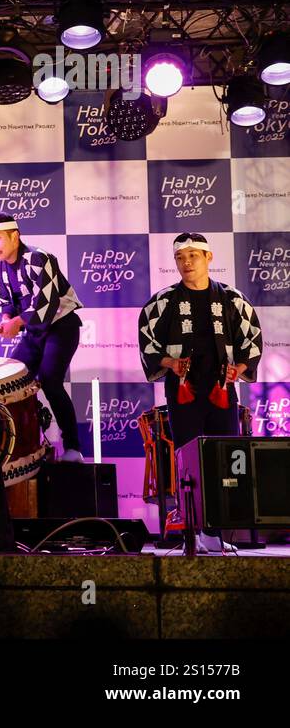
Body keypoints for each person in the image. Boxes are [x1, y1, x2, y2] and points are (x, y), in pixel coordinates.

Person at [138, 232, 262, 553]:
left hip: (221, 390)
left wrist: (241, 369)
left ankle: (216, 533)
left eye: (194, 255)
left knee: (223, 460)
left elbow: (252, 340)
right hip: (184, 392)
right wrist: (169, 362)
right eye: (180, 257)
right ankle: (191, 534)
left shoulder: (233, 300)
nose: (187, 262)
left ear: (209, 258)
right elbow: (148, 342)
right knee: (187, 461)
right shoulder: (162, 302)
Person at [0, 212, 86, 462]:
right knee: (12, 380)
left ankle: (73, 447)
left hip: (61, 326)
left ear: (14, 236)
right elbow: (6, 303)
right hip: (35, 330)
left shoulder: (39, 258)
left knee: (50, 381)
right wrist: (7, 319)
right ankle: (17, 445)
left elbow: (46, 305)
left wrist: (17, 322)